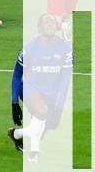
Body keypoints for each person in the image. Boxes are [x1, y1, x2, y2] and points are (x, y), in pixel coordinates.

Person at [7, 14, 72, 160]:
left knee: (48, 126)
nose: (49, 24)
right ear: (39, 28)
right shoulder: (28, 49)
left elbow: (65, 80)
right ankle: (33, 154)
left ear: (56, 27)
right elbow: (17, 75)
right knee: (41, 112)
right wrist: (14, 102)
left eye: (52, 22)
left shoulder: (65, 50)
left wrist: (59, 106)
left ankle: (16, 134)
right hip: (31, 89)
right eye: (45, 22)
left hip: (52, 93)